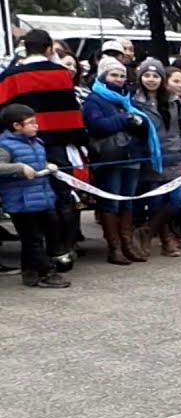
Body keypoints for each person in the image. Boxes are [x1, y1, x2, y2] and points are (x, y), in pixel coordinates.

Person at [0, 29, 88, 271]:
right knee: (61, 196)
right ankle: (61, 251)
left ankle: (39, 257)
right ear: (49, 48)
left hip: (22, 144)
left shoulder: (12, 75)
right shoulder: (60, 73)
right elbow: (71, 111)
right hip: (58, 144)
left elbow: (3, 110)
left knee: (29, 198)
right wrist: (79, 139)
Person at [82, 57, 153, 264]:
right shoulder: (94, 99)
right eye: (114, 75)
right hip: (110, 158)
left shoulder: (127, 98)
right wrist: (125, 119)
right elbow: (97, 125)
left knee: (128, 202)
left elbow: (142, 125)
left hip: (132, 155)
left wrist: (140, 124)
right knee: (111, 202)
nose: (119, 79)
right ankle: (114, 248)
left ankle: (127, 243)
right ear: (103, 76)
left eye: (122, 75)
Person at [0, 104, 69, 288]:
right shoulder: (4, 145)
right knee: (32, 238)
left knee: (37, 237)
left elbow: (36, 162)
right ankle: (47, 272)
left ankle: (29, 271)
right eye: (31, 123)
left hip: (42, 198)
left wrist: (48, 165)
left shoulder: (37, 142)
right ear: (16, 126)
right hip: (21, 202)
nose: (36, 126)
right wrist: (19, 168)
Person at [132, 61, 181, 258]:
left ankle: (147, 231)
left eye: (156, 76)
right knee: (156, 203)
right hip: (152, 161)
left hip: (176, 159)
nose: (151, 80)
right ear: (141, 77)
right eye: (147, 76)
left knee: (179, 200)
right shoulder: (134, 101)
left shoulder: (174, 101)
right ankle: (166, 239)